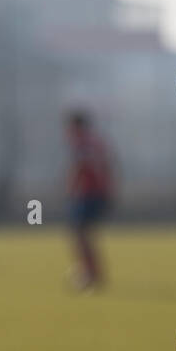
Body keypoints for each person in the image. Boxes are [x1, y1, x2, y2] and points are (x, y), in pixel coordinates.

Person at [64, 110, 116, 291]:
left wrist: (70, 189)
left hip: (89, 193)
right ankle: (91, 271)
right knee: (83, 234)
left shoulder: (82, 143)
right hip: (99, 193)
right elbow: (109, 165)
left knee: (80, 233)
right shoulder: (96, 142)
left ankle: (90, 274)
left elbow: (80, 167)